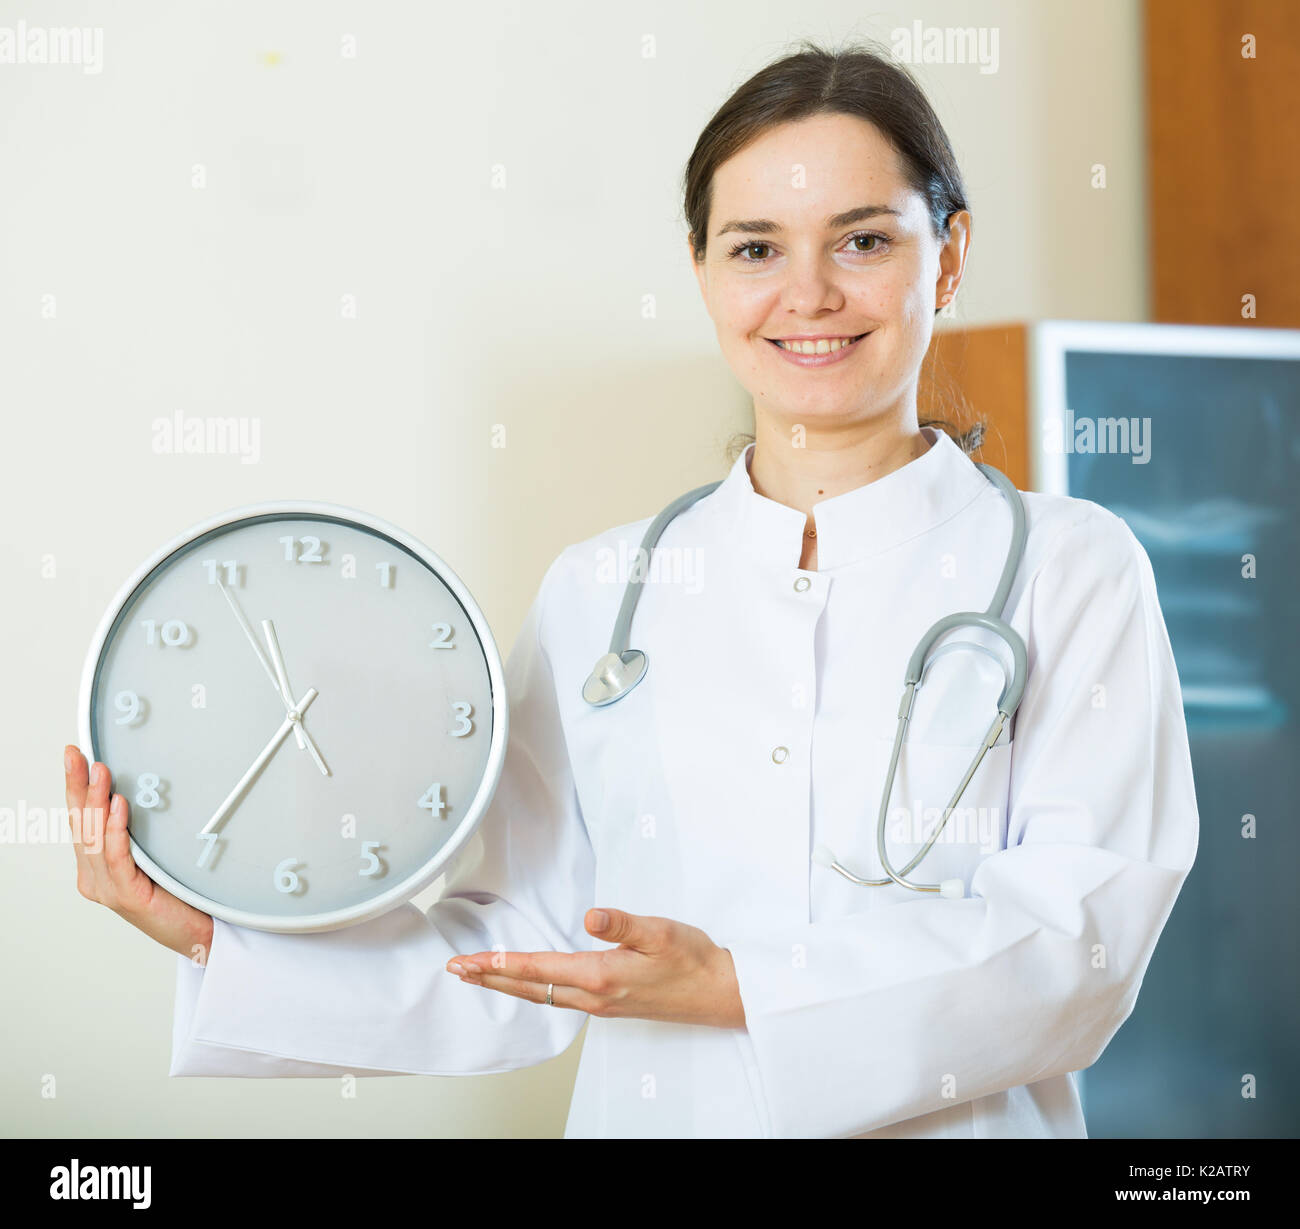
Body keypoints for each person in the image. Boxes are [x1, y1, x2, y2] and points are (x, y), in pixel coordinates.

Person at [63, 39, 1199, 1138]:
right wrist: (216, 936)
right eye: (754, 248)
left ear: (946, 256)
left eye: (860, 241)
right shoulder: (603, 590)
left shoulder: (1072, 569)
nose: (806, 294)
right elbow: (515, 948)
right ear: (702, 270)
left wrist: (739, 985)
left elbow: (1077, 944)